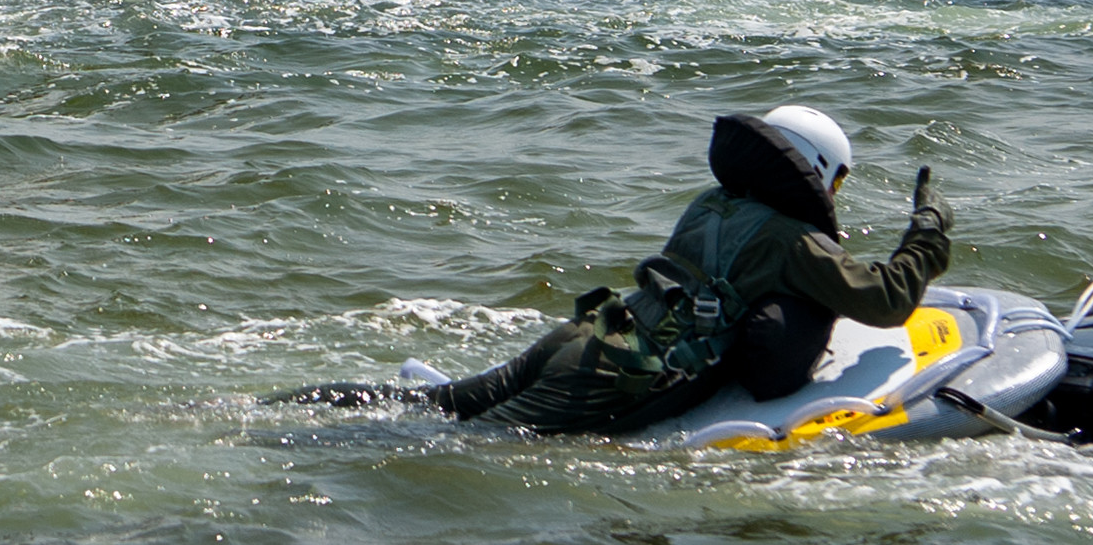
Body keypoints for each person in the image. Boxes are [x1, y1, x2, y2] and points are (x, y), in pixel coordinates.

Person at [289, 106, 952, 433]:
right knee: (464, 447)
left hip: (579, 337)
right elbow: (889, 298)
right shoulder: (793, 241)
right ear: (814, 174)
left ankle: (275, 407)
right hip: (608, 377)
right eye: (833, 184)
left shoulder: (709, 206)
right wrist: (928, 226)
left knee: (430, 405)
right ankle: (256, 443)